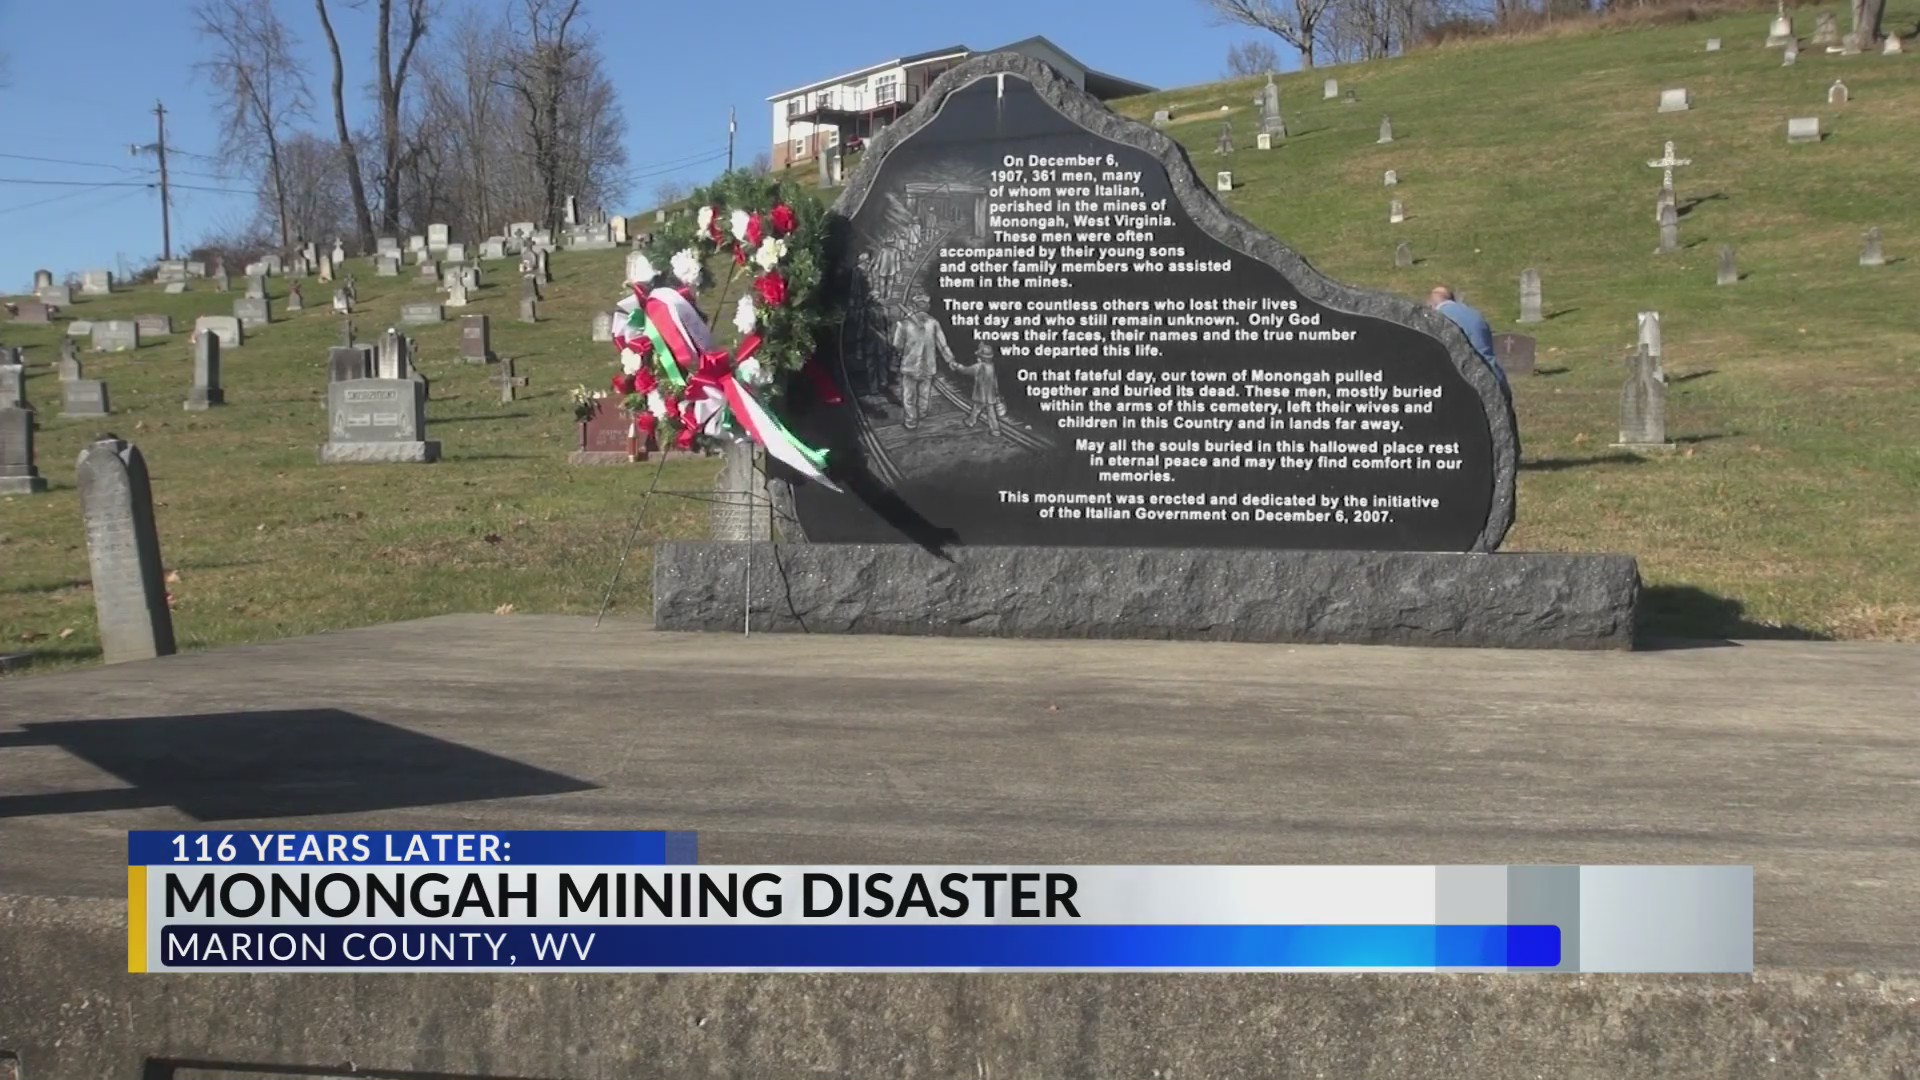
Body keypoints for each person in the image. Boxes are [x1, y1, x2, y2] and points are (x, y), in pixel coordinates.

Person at [889, 292, 952, 429]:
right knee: (924, 392)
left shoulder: (903, 324)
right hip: (928, 365)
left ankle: (911, 420)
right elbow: (942, 345)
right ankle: (922, 412)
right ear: (927, 307)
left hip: (910, 366)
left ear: (913, 307)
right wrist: (950, 360)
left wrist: (895, 361)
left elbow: (897, 347)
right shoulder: (934, 323)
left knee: (909, 395)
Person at [1427, 286, 1508, 393]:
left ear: (1430, 303)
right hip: (1493, 375)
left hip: (1462, 380)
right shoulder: (1474, 314)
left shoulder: (1437, 317)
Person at [947, 341, 1004, 435]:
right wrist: (996, 391)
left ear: (980, 357)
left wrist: (957, 366)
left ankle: (971, 421)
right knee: (991, 413)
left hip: (981, 394)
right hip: (990, 395)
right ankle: (995, 429)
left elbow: (965, 370)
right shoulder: (991, 367)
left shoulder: (979, 367)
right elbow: (995, 381)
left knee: (977, 408)